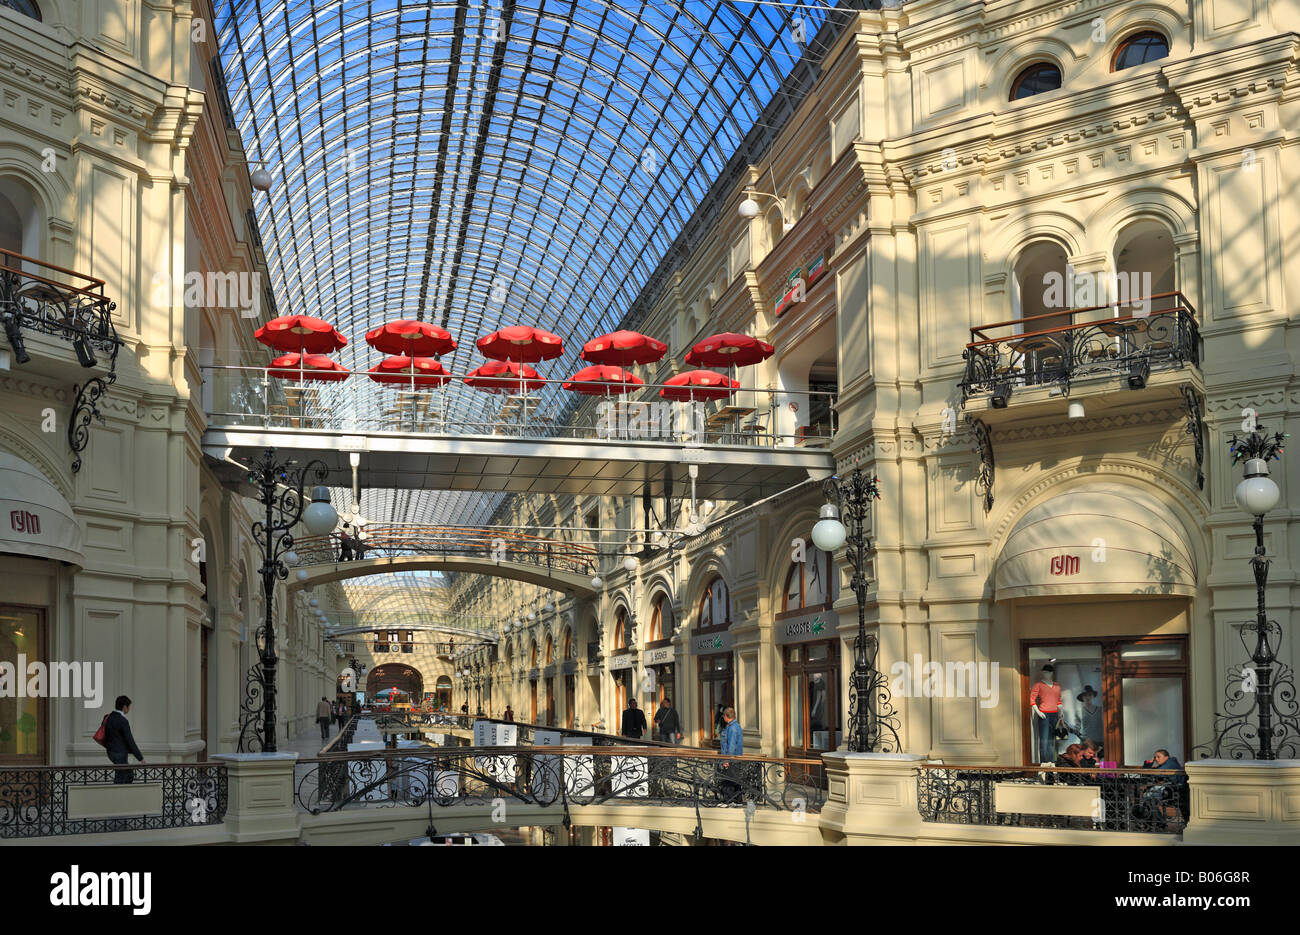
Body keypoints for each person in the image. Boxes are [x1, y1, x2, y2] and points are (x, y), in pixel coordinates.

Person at [104, 695, 145, 784]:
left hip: (110, 752)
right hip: (120, 753)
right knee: (124, 777)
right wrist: (140, 758)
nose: (129, 709)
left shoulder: (107, 717)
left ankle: (120, 794)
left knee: (123, 774)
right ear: (124, 707)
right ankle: (120, 795)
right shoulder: (123, 721)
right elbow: (130, 740)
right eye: (129, 706)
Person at [1028, 664, 1063, 762]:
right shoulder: (1038, 685)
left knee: (1052, 741)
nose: (1045, 674)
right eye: (1044, 672)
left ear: (1051, 673)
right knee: (1044, 740)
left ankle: (1052, 763)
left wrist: (1061, 712)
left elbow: (1059, 700)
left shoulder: (1057, 685)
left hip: (1055, 714)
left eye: (1047, 672)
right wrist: (1038, 712)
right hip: (1044, 714)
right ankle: (1044, 763)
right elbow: (1032, 699)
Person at [718, 706, 744, 803]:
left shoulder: (732, 728)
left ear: (726, 716)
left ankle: (729, 801)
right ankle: (737, 801)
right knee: (734, 780)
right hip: (735, 758)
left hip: (732, 759)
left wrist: (726, 760)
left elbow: (731, 746)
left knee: (729, 781)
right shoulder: (735, 726)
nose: (723, 718)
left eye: (723, 716)